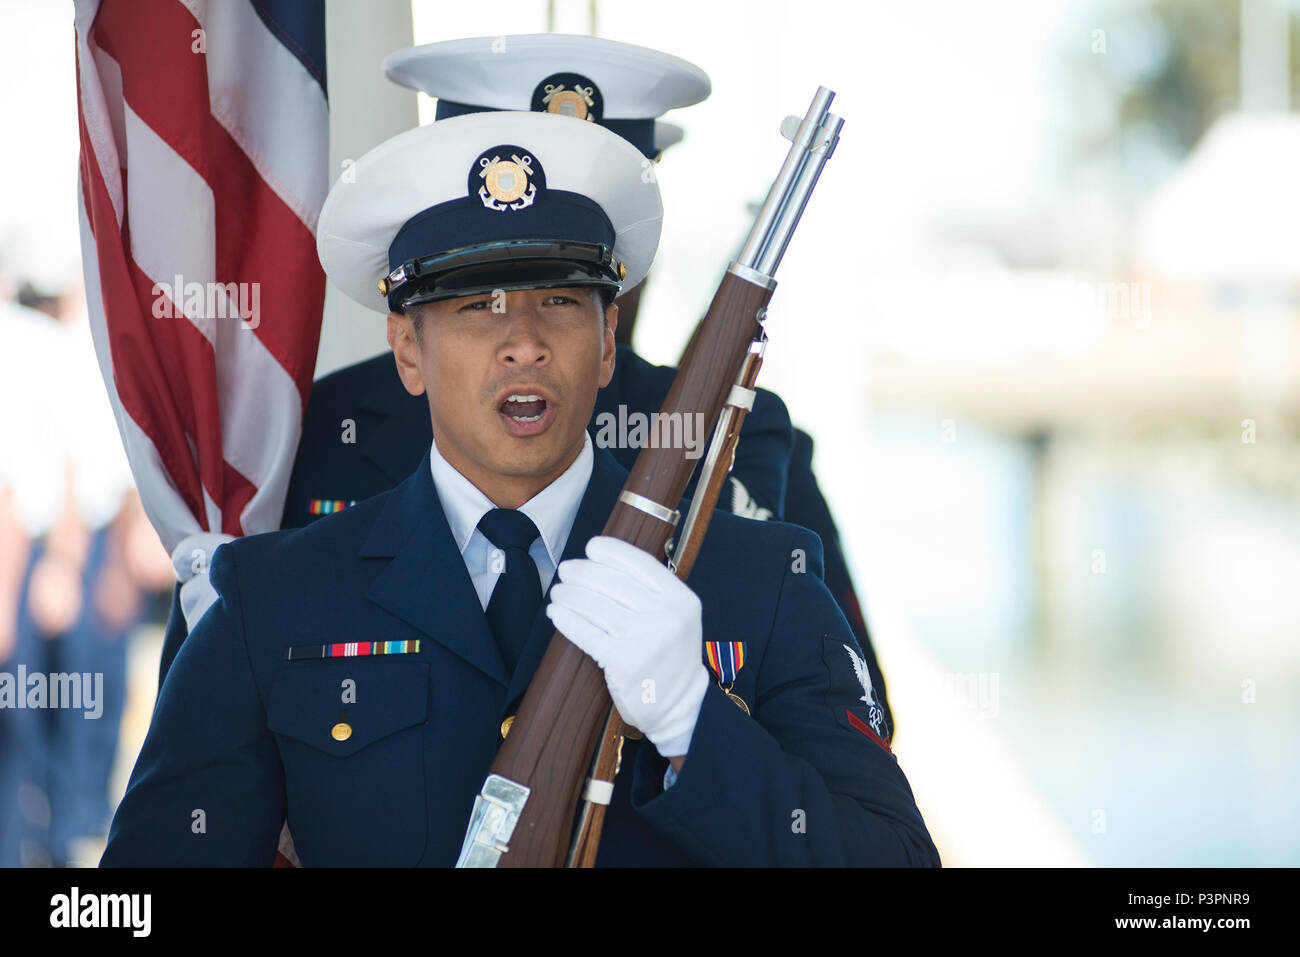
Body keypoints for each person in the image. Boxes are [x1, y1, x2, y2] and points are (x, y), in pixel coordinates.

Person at [101, 110, 937, 866]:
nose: (525, 342)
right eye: (477, 307)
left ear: (609, 343)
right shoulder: (273, 598)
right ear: (408, 350)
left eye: (561, 302)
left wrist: (694, 724)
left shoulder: (763, 582)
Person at [159, 33, 893, 735]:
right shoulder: (321, 427)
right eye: (490, 278)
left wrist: (697, 721)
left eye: (580, 254)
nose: (528, 328)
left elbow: (848, 712)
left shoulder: (731, 428)